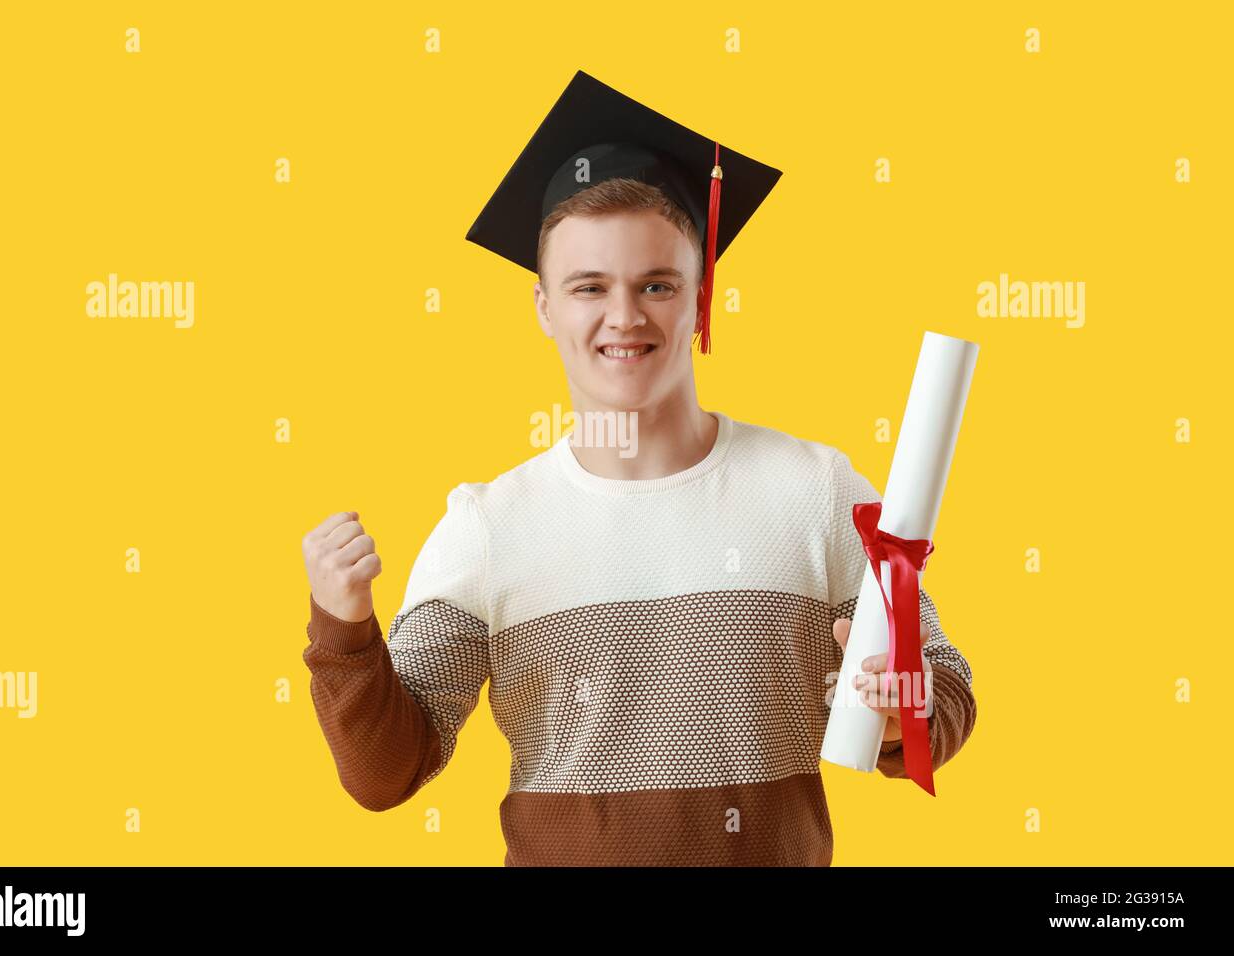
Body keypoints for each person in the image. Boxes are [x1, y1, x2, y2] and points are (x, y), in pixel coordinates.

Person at [301, 70, 977, 866]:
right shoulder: (486, 528)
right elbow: (387, 773)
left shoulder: (818, 493)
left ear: (701, 298)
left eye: (657, 284)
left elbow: (945, 685)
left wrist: (908, 712)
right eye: (589, 287)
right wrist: (343, 630)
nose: (625, 317)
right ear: (545, 306)